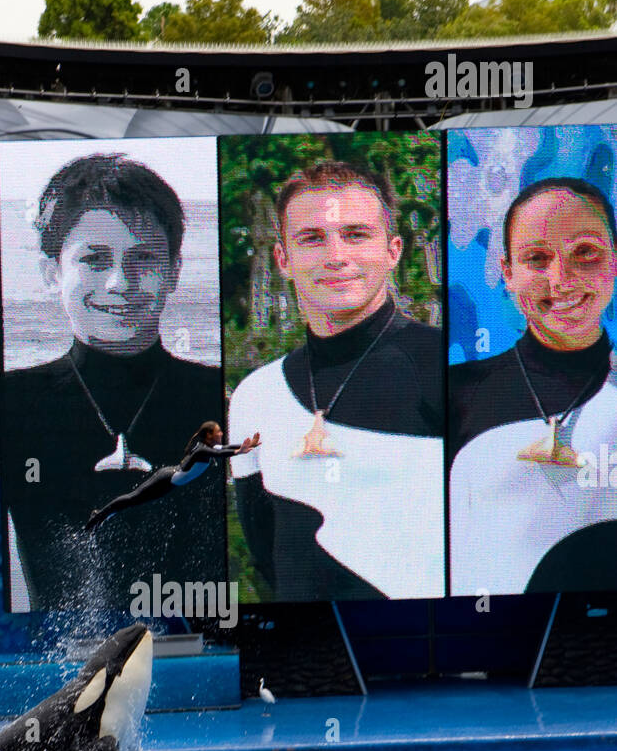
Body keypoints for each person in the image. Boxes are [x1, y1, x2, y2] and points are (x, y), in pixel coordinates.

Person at [0, 152, 225, 610]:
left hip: (207, 641)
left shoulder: (222, 396)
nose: (120, 283)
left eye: (144, 260)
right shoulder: (18, 403)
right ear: (50, 273)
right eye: (96, 260)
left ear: (175, 272)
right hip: (65, 655)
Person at [228, 159, 444, 602]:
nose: (336, 256)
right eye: (312, 239)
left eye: (356, 234)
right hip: (306, 654)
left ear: (393, 250)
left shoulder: (446, 368)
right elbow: (269, 554)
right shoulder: (255, 396)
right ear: (283, 259)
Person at [449, 176, 617, 595]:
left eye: (585, 253)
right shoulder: (454, 396)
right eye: (537, 258)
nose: (560, 280)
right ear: (507, 273)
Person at [86, 422, 260, 531]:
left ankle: (104, 517)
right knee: (133, 498)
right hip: (167, 478)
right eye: (217, 432)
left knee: (135, 501)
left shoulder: (211, 448)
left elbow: (225, 449)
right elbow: (223, 453)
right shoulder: (202, 449)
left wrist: (246, 446)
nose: (221, 434)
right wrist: (240, 451)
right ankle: (98, 516)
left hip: (170, 483)